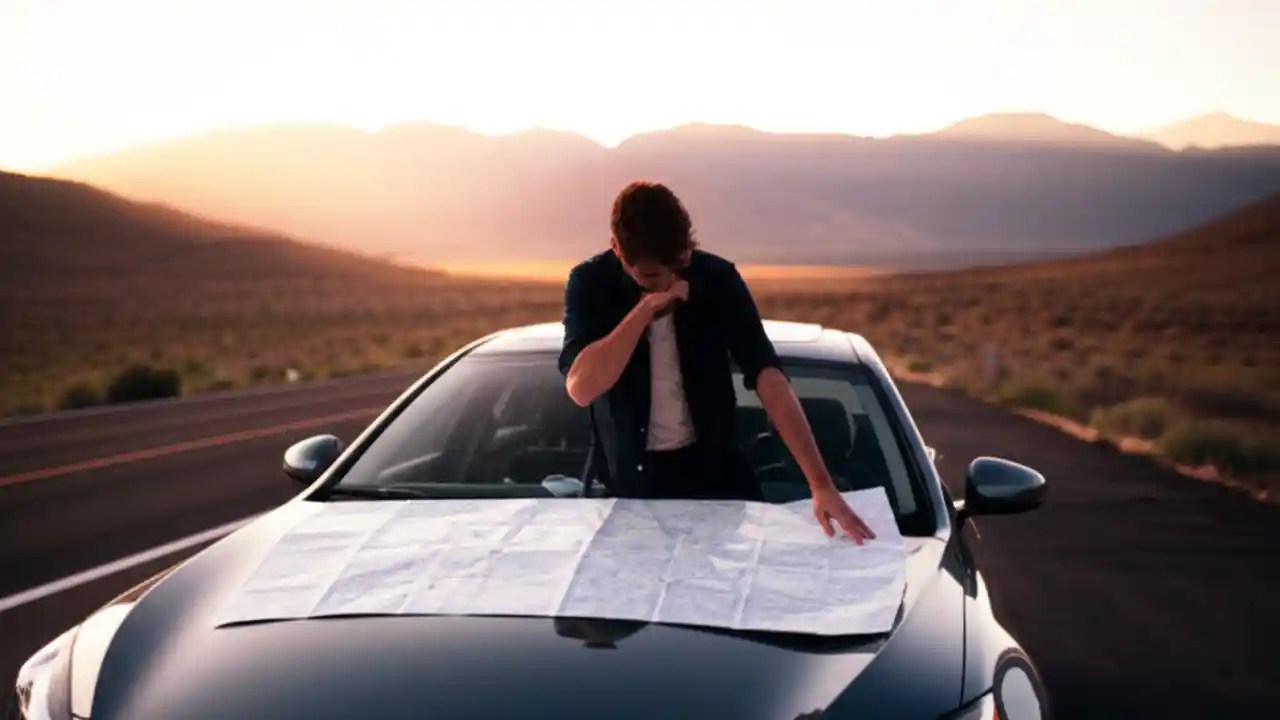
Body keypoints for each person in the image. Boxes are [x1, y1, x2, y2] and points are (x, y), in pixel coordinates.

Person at [558, 181, 875, 543]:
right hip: (628, 498)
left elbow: (768, 377)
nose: (667, 283)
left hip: (717, 487)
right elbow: (581, 387)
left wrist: (820, 485)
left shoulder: (718, 279)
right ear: (616, 250)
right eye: (649, 276)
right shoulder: (588, 284)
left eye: (678, 268)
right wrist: (644, 311)